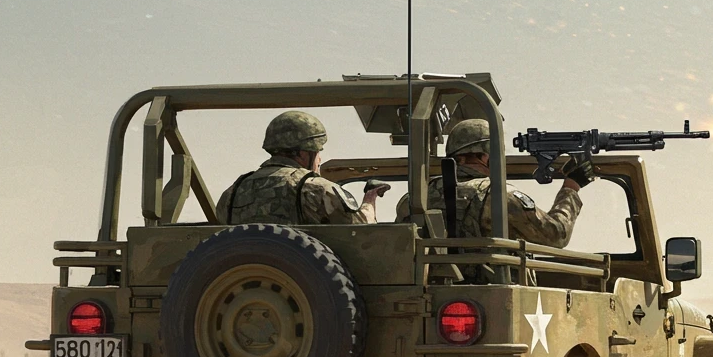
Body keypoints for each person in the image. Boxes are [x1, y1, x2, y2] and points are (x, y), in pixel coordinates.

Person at [396, 119, 584, 247]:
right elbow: (556, 234)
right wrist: (571, 188)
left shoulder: (414, 198)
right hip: (491, 289)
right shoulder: (499, 196)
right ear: (487, 156)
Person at [217, 111, 384, 225]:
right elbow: (362, 229)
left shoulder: (231, 194)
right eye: (318, 152)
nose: (319, 160)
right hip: (305, 268)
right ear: (304, 154)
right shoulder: (316, 189)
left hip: (243, 269)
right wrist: (370, 199)